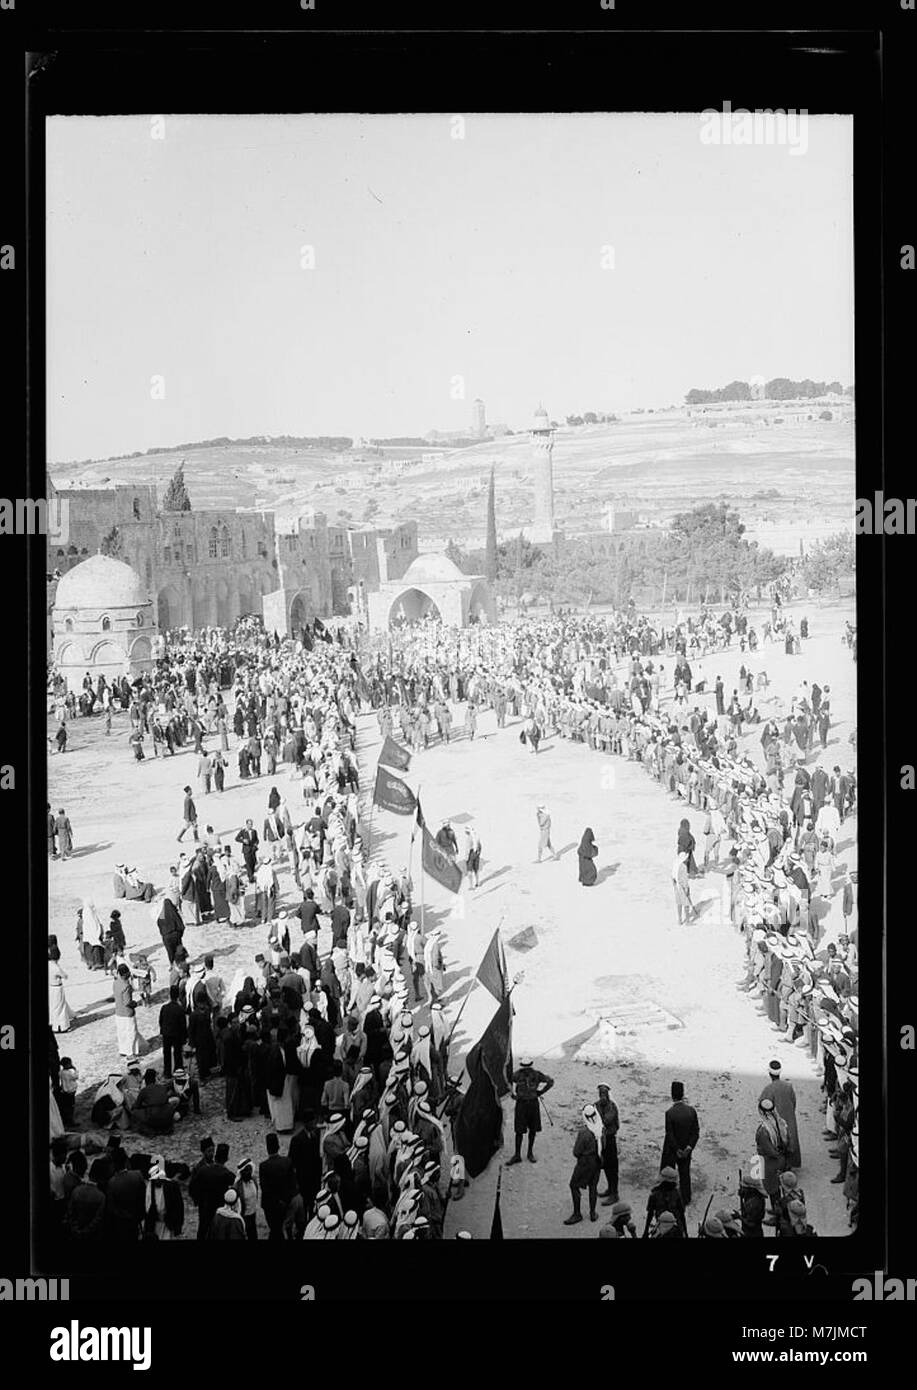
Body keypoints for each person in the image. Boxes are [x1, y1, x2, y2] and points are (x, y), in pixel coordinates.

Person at [507, 1058, 554, 1165]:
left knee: (526, 1130)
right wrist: (541, 1092)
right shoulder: (535, 1074)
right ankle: (524, 1154)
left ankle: (523, 1154)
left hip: (524, 1104)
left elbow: (506, 1081)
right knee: (523, 1130)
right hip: (530, 1104)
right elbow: (550, 1081)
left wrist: (512, 1095)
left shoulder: (518, 1075)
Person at [758, 1059, 801, 1171]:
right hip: (789, 1118)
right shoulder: (788, 1086)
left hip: (775, 1121)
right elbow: (793, 1102)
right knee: (790, 1140)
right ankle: (790, 1164)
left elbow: (763, 1107)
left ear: (769, 1073)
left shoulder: (768, 1089)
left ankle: (779, 1165)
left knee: (776, 1143)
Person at [661, 1080, 699, 1207]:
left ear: (672, 1095)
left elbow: (669, 1134)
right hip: (687, 1148)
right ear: (682, 1094)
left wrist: (677, 1149)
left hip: (673, 1149)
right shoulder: (691, 1111)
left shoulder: (669, 1113)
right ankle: (686, 1198)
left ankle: (668, 1196)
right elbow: (695, 1132)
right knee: (685, 1173)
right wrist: (689, 1147)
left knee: (668, 1171)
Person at [564, 1104, 603, 1225]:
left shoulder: (584, 1133)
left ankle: (577, 1214)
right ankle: (592, 1213)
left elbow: (576, 1152)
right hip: (597, 1161)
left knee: (574, 1185)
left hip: (585, 1162)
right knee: (593, 1186)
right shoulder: (601, 1129)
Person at [259, 1132, 299, 1241]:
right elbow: (293, 1184)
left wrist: (276, 1200)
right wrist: (284, 1200)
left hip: (271, 1205)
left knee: (275, 1229)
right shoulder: (287, 1162)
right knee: (285, 1227)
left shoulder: (263, 1166)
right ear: (278, 1146)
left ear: (267, 1148)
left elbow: (264, 1188)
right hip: (286, 1203)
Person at [755, 1097, 789, 1221]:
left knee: (772, 1188)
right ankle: (777, 1209)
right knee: (777, 1187)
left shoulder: (764, 1130)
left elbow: (768, 1150)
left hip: (770, 1161)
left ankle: (777, 1215)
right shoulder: (780, 1122)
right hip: (780, 1158)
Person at [642, 1166, 688, 1238]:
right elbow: (650, 1213)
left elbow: (681, 1214)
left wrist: (685, 1231)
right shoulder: (655, 1194)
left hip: (673, 1226)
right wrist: (645, 1231)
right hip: (662, 1226)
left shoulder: (676, 1193)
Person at [596, 1083, 620, 1204]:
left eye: (604, 1094)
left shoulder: (612, 1107)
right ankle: (610, 1189)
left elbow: (605, 1120)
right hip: (601, 1139)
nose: (602, 1096)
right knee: (605, 1165)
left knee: (612, 1167)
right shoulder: (596, 1105)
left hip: (610, 1139)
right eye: (601, 1094)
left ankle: (614, 1193)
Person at [49, 958, 74, 1033]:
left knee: (53, 1007)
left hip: (51, 987)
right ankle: (63, 1026)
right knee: (60, 1007)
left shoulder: (49, 965)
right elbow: (65, 976)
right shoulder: (56, 968)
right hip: (58, 988)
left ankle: (55, 1025)